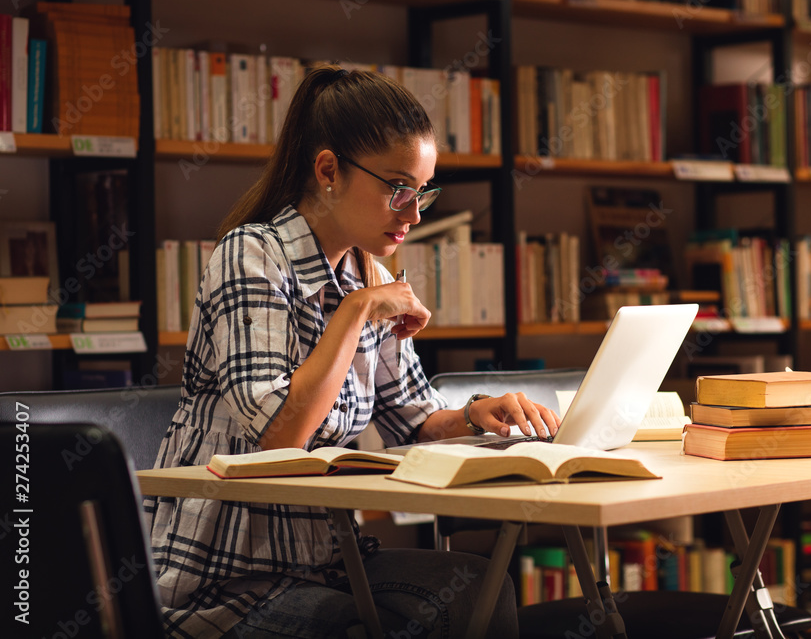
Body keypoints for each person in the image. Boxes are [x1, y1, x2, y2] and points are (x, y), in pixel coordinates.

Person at [143, 65, 561, 638]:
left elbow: (412, 419)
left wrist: (474, 415)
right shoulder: (251, 256)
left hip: (327, 561)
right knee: (353, 627)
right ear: (328, 171)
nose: (413, 215)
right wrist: (358, 310)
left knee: (480, 592)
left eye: (424, 192)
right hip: (224, 578)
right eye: (398, 189)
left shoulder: (366, 271)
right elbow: (279, 436)